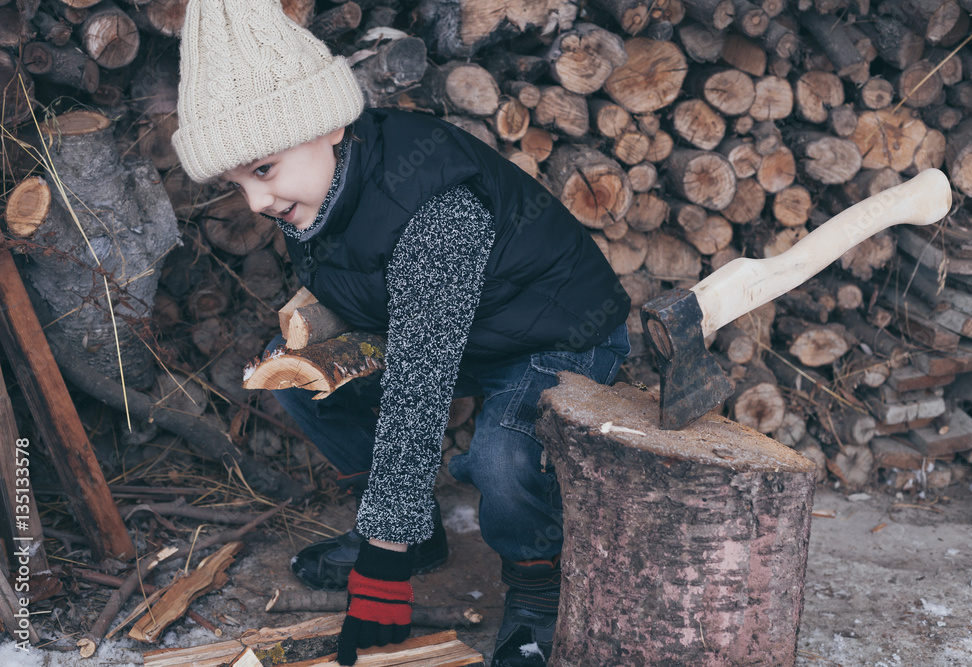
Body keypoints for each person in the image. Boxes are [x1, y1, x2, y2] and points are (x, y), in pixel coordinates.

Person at [171, 1, 631, 664]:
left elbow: (419, 389)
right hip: (462, 331)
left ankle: (536, 586)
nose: (255, 203)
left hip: (554, 335)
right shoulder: (320, 185)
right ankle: (410, 533)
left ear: (326, 125)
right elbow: (375, 291)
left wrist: (379, 580)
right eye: (236, 181)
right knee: (298, 377)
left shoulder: (430, 205)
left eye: (262, 169)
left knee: (502, 455)